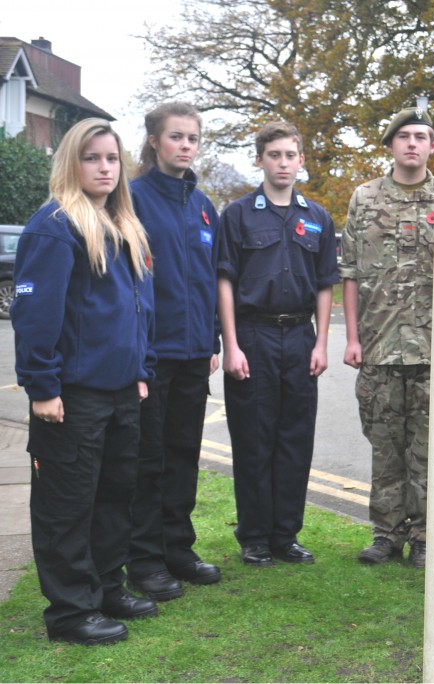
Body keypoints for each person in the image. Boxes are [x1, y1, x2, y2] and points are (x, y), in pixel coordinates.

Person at [12, 118, 157, 645]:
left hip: (120, 393)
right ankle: (72, 613)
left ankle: (106, 589)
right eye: (92, 158)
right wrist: (43, 389)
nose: (104, 167)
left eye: (112, 159)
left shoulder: (122, 225)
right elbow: (35, 317)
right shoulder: (54, 226)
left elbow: (135, 311)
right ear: (71, 163)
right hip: (71, 397)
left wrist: (140, 372)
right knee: (67, 505)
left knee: (114, 498)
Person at [218, 121, 339, 566]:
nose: (283, 163)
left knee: (294, 439)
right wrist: (231, 344)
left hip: (300, 337)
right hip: (254, 334)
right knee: (253, 439)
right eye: (274, 155)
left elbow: (326, 283)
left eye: (290, 155)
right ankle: (254, 537)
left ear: (301, 160)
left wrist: (322, 342)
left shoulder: (318, 217)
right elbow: (225, 280)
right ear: (260, 159)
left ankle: (285, 536)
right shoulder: (238, 214)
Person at [126, 102, 222, 600]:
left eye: (192, 138)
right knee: (148, 458)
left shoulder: (204, 205)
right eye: (176, 137)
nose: (185, 146)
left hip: (192, 355)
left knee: (184, 454)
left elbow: (207, 279)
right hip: (151, 355)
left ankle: (177, 549)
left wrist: (212, 340)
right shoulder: (132, 199)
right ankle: (144, 561)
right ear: (153, 143)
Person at [340, 105, 434, 568]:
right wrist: (353, 338)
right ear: (391, 146)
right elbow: (351, 272)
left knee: (427, 448)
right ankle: (386, 533)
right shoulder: (365, 198)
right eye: (404, 137)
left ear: (433, 146)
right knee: (384, 446)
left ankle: (423, 536)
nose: (413, 144)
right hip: (378, 346)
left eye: (421, 136)